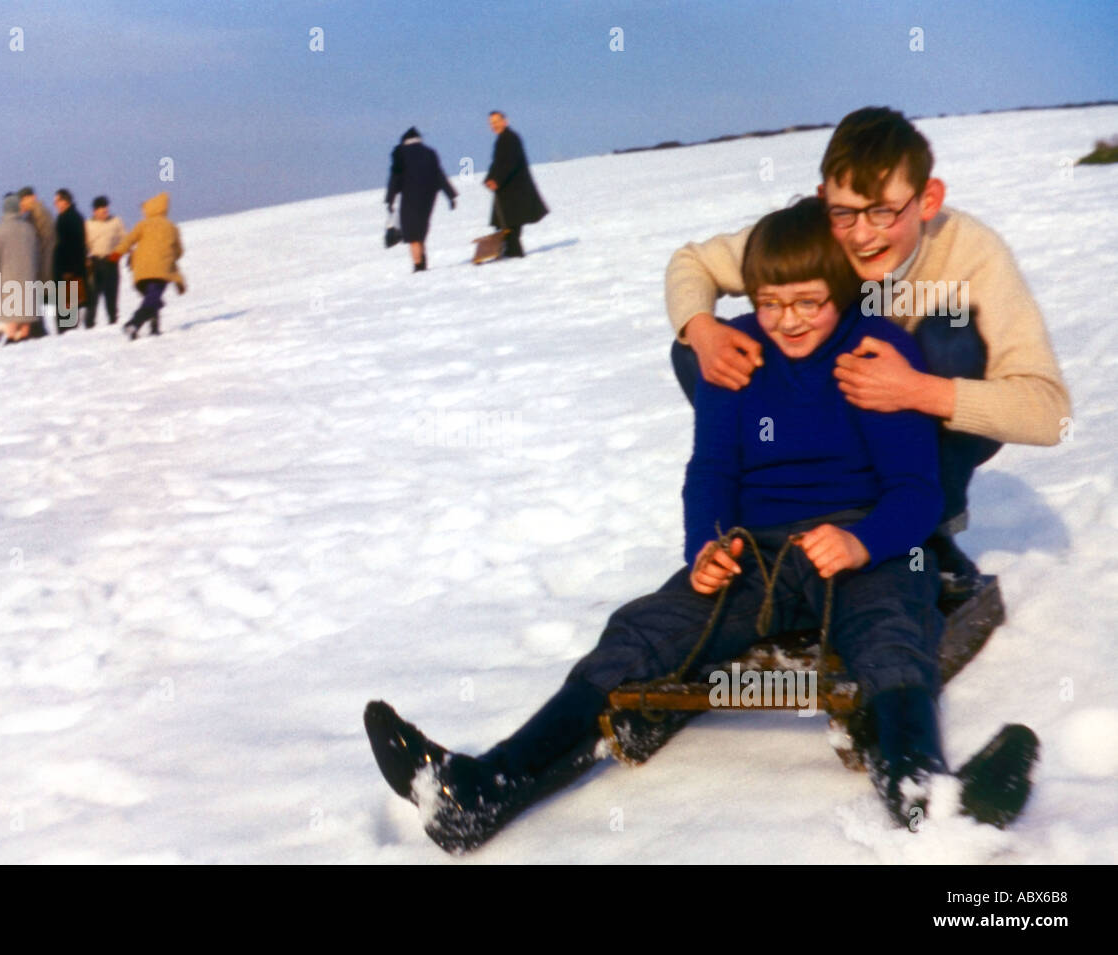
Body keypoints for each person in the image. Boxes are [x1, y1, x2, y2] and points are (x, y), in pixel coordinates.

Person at [366, 198, 999, 854]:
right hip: (754, 551)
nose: (789, 321)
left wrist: (863, 540)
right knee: (640, 632)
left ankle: (922, 792)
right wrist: (706, 548)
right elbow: (712, 470)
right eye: (771, 302)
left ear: (843, 289)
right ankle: (483, 786)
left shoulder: (877, 351)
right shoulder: (735, 354)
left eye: (810, 301)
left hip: (860, 543)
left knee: (891, 631)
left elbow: (917, 491)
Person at [665, 107, 1070, 589]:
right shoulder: (816, 236)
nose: (862, 234)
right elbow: (692, 264)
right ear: (823, 202)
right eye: (845, 212)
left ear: (927, 200)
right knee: (696, 348)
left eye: (884, 211)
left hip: (921, 413)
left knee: (949, 337)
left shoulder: (973, 254)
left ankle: (931, 527)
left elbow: (1049, 414)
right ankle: (783, 511)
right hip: (832, 410)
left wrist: (918, 391)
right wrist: (700, 328)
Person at [111, 192, 184, 340]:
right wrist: (171, 257)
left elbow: (129, 240)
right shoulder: (171, 227)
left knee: (152, 297)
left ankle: (154, 328)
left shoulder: (142, 224)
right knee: (153, 298)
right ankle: (134, 324)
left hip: (141, 270)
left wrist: (117, 254)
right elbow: (178, 250)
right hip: (161, 271)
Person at [385, 126, 457, 272]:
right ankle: (422, 262)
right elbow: (439, 175)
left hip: (410, 198)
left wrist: (390, 199)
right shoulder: (430, 153)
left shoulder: (400, 152)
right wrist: (451, 195)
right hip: (428, 198)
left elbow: (395, 177)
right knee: (420, 231)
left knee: (412, 235)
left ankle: (418, 266)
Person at [484, 111, 548, 258]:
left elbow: (510, 163)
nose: (494, 125)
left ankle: (514, 254)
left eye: (496, 121)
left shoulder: (510, 138)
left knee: (511, 223)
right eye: (491, 123)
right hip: (507, 189)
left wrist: (496, 180)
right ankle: (510, 252)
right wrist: (490, 178)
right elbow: (497, 163)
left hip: (514, 190)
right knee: (506, 223)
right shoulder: (502, 139)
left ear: (505, 121)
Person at [0, 194, 40, 344]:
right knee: (25, 314)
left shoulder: (1, 230)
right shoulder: (29, 229)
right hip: (28, 277)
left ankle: (10, 340)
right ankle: (24, 338)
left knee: (11, 314)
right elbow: (36, 254)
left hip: (8, 278)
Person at [17, 186, 55, 338]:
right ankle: (37, 331)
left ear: (31, 197)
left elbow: (38, 240)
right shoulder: (37, 213)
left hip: (42, 263)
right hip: (42, 262)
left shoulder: (38, 214)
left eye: (22, 201)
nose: (21, 205)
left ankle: (37, 332)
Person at [84, 196, 127, 326]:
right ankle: (89, 325)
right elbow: (84, 244)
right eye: (101, 209)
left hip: (111, 262)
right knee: (92, 297)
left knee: (111, 296)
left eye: (106, 208)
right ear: (94, 211)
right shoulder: (87, 224)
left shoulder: (116, 222)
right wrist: (86, 259)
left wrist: (117, 255)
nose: (104, 211)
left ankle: (113, 322)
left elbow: (125, 240)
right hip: (94, 263)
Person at [52, 188, 87, 332]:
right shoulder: (75, 216)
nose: (55, 204)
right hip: (74, 270)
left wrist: (67, 269)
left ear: (64, 201)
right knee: (69, 309)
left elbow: (69, 246)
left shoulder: (66, 218)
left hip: (68, 271)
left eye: (57, 201)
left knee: (66, 311)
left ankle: (66, 337)